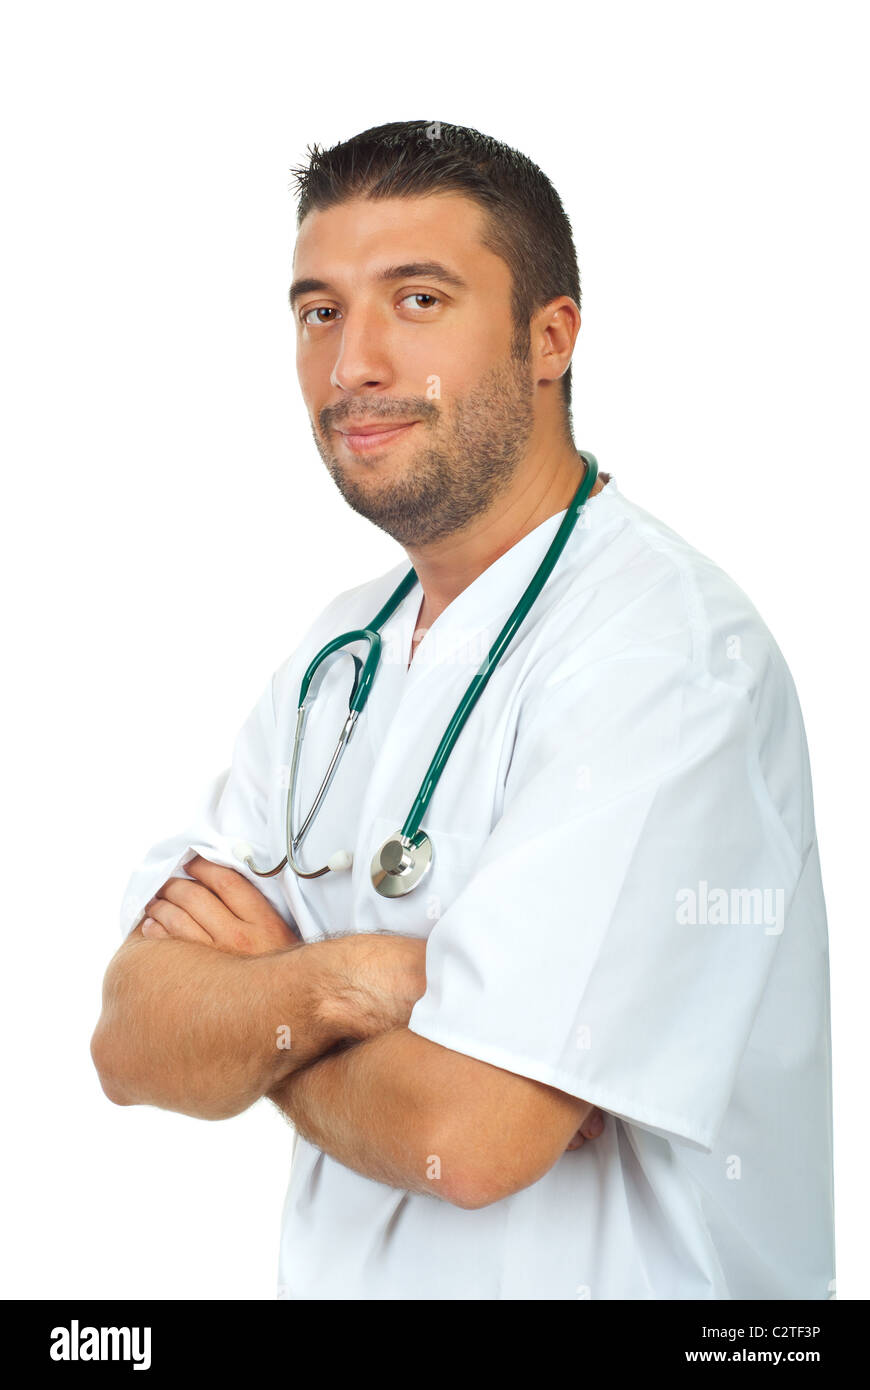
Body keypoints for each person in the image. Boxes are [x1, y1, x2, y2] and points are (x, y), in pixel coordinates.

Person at [91, 120, 835, 1301]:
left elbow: (477, 1136)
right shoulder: (334, 657)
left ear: (552, 338)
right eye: (318, 311)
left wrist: (258, 1013)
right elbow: (131, 1039)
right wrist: (350, 983)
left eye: (418, 300)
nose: (353, 367)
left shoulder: (668, 660)